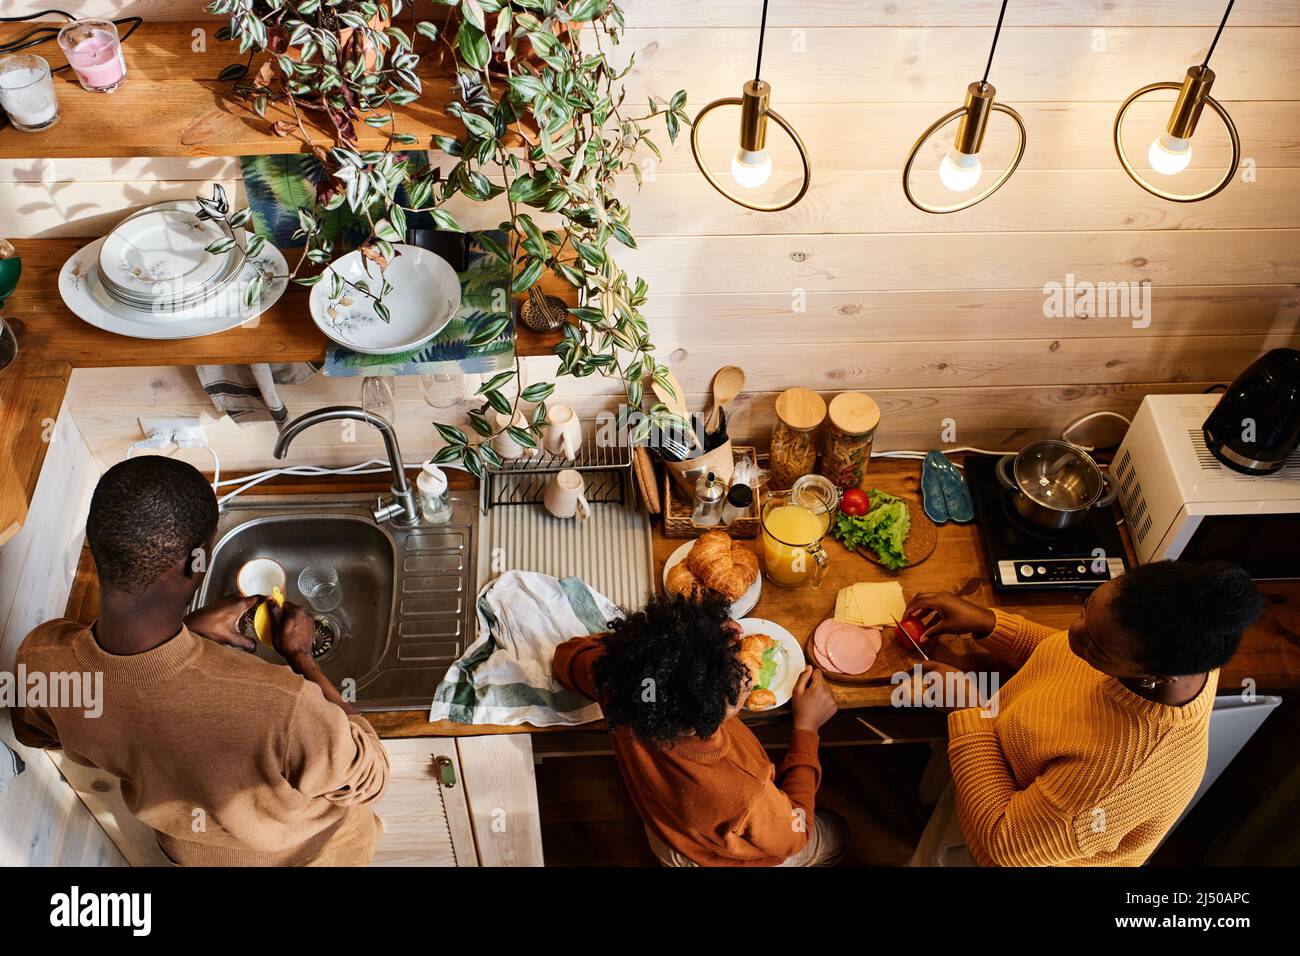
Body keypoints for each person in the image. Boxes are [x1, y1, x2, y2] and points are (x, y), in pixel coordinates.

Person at [11, 456, 389, 866]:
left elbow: (43, 729)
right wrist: (301, 658)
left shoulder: (42, 659)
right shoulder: (284, 705)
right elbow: (370, 779)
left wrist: (185, 631)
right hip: (314, 856)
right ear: (196, 563)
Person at [906, 560, 1263, 867]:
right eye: (1085, 610)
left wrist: (969, 712)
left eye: (1095, 643)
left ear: (1154, 676)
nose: (1073, 632)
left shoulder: (1121, 773)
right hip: (994, 776)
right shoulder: (1180, 652)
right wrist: (989, 625)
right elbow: (1070, 659)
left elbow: (1004, 842)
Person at [553, 593, 845, 866]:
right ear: (708, 717)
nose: (742, 674)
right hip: (712, 854)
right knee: (829, 835)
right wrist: (806, 728)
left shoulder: (621, 679)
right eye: (735, 679)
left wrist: (686, 637)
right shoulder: (743, 789)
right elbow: (794, 836)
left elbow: (566, 658)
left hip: (666, 830)